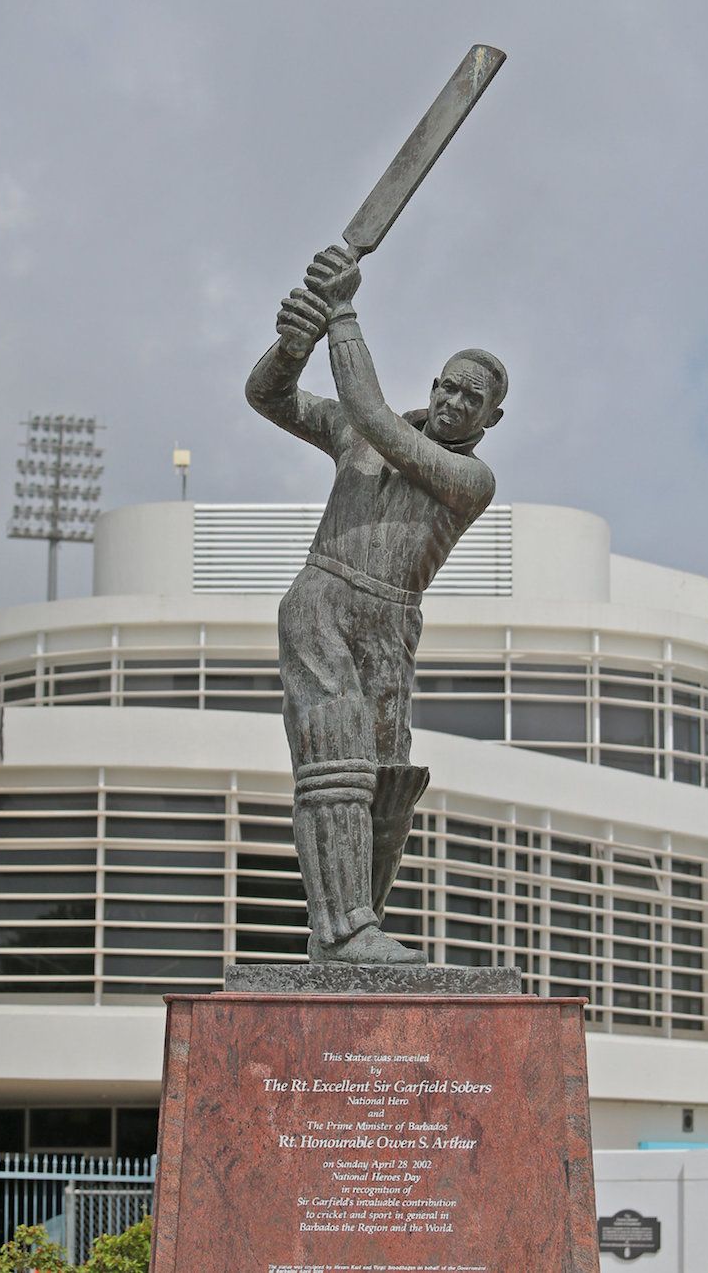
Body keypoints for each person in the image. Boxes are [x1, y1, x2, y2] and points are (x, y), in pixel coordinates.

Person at [246, 245, 507, 965]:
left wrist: (342, 310)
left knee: (388, 783)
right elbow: (270, 397)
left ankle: (352, 935)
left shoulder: (469, 477)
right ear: (437, 382)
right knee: (338, 768)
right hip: (325, 599)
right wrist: (294, 344)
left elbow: (369, 407)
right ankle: (344, 928)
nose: (455, 403)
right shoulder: (356, 434)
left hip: (391, 624)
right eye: (449, 388)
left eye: (471, 399)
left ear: (493, 416)